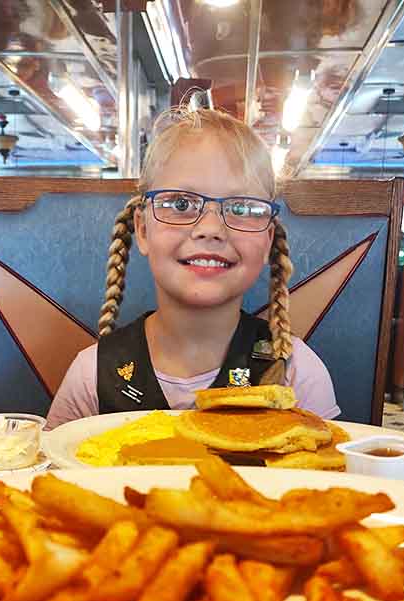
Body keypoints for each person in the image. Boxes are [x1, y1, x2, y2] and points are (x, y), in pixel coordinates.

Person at [47, 107, 339, 428]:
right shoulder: (91, 375)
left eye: (242, 207)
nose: (211, 228)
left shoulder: (296, 373)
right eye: (181, 204)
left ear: (268, 239)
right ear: (142, 230)